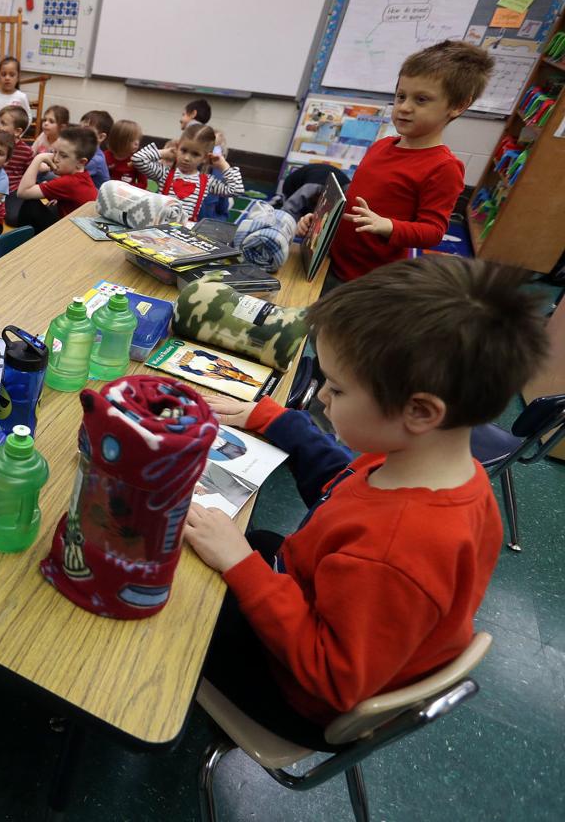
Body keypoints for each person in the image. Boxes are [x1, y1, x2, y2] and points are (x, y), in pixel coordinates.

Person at [183, 255, 547, 747]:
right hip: (310, 595)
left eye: (335, 388)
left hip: (297, 691)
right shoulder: (433, 466)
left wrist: (243, 566)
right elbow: (340, 488)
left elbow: (330, 676)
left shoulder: (397, 552)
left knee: (174, 601)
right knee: (232, 542)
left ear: (419, 411)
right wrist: (272, 418)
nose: (324, 400)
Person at [299, 40, 494, 284]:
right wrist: (319, 220)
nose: (404, 107)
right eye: (401, 96)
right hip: (330, 257)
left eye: (421, 100)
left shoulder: (444, 167)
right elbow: (354, 202)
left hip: (365, 278)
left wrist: (387, 225)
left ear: (457, 105)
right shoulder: (382, 146)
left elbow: (433, 231)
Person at [131, 124, 245, 221]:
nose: (187, 158)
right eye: (183, 150)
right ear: (177, 147)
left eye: (195, 154)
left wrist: (223, 165)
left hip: (184, 234)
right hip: (157, 226)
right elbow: (137, 159)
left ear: (205, 157)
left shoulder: (208, 182)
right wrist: (164, 152)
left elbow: (236, 190)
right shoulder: (164, 174)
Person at [15, 125, 99, 235]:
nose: (55, 158)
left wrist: (38, 158)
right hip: (78, 228)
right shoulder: (81, 176)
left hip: (72, 235)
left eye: (63, 155)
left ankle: (23, 246)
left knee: (31, 205)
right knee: (49, 203)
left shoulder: (69, 182)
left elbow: (22, 192)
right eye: (55, 152)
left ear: (81, 162)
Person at [0, 105, 34, 225]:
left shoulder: (26, 151)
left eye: (3, 123)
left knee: (12, 218)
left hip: (12, 191)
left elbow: (30, 175)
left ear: (17, 131)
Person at [103, 119, 147, 189]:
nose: (137, 143)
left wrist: (127, 188)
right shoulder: (105, 157)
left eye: (138, 139)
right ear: (119, 140)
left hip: (128, 194)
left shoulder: (137, 159)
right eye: (132, 140)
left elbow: (143, 184)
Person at [78, 110, 113, 188]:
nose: (79, 133)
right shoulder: (83, 152)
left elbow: (70, 175)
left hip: (95, 199)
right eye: (79, 129)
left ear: (100, 137)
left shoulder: (95, 160)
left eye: (85, 130)